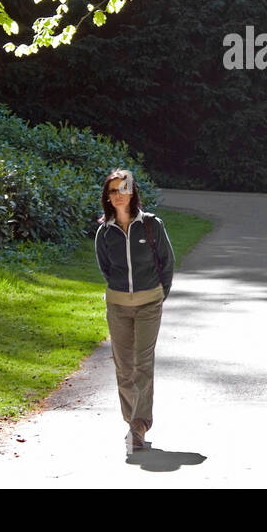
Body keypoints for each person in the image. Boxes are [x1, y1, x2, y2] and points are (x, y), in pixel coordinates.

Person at [93, 168, 175, 456]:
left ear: (132, 192)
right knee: (124, 367)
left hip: (149, 303)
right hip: (117, 305)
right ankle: (131, 421)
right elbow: (106, 268)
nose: (117, 195)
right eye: (112, 191)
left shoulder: (152, 225)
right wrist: (120, 291)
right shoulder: (105, 231)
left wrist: (158, 294)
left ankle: (139, 426)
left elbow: (167, 263)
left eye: (122, 189)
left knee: (142, 363)